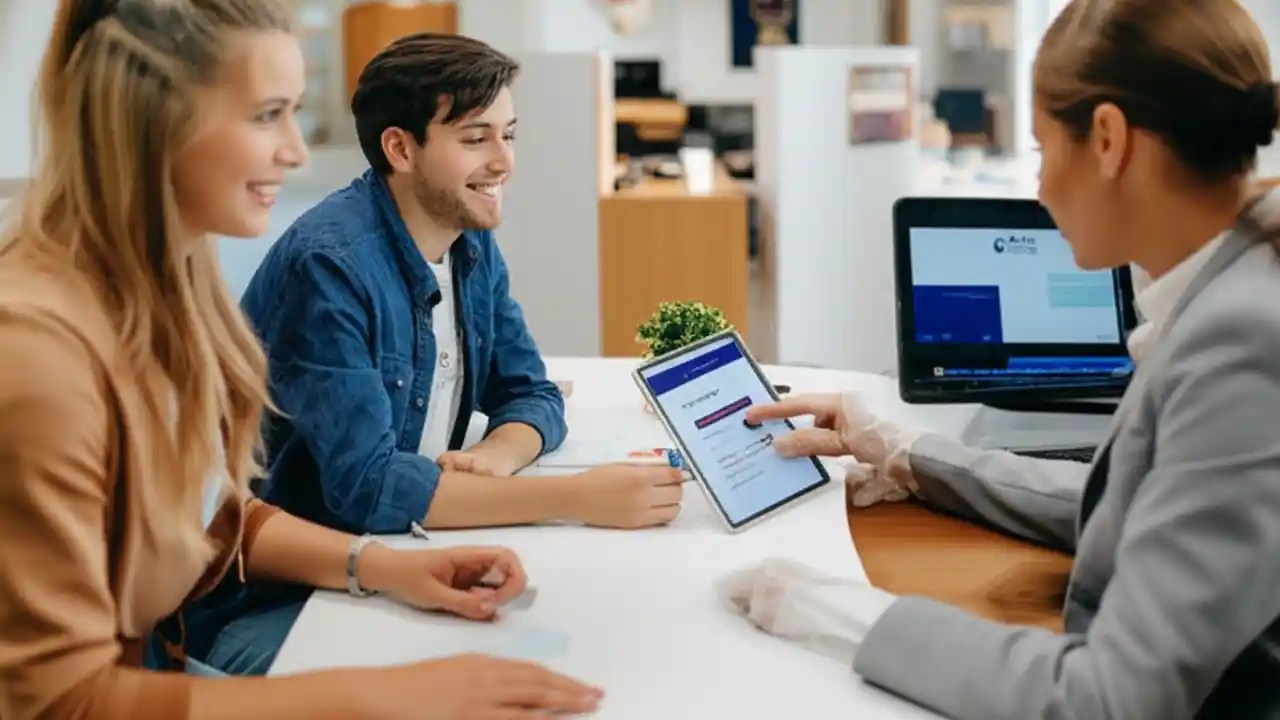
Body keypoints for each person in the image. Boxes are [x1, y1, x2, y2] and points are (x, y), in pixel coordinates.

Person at [0, 2, 603, 717]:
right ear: (153, 120)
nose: (296, 152)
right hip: (171, 663)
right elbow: (58, 701)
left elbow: (212, 515)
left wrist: (388, 569)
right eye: (266, 115)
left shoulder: (170, 290)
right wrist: (384, 694)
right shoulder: (38, 351)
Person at [724, 1, 1280, 718]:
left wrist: (831, 611)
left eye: (1045, 152)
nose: (1042, 187)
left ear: (1108, 139)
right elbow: (1129, 510)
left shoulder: (1243, 339)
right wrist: (904, 453)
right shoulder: (1236, 285)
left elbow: (1108, 700)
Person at [183, 30, 683, 676]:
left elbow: (529, 390)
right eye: (476, 139)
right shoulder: (330, 266)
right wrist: (578, 498)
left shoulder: (467, 241)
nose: (504, 162)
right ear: (400, 148)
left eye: (510, 134)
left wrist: (494, 458)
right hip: (283, 603)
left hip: (394, 557)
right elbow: (368, 488)